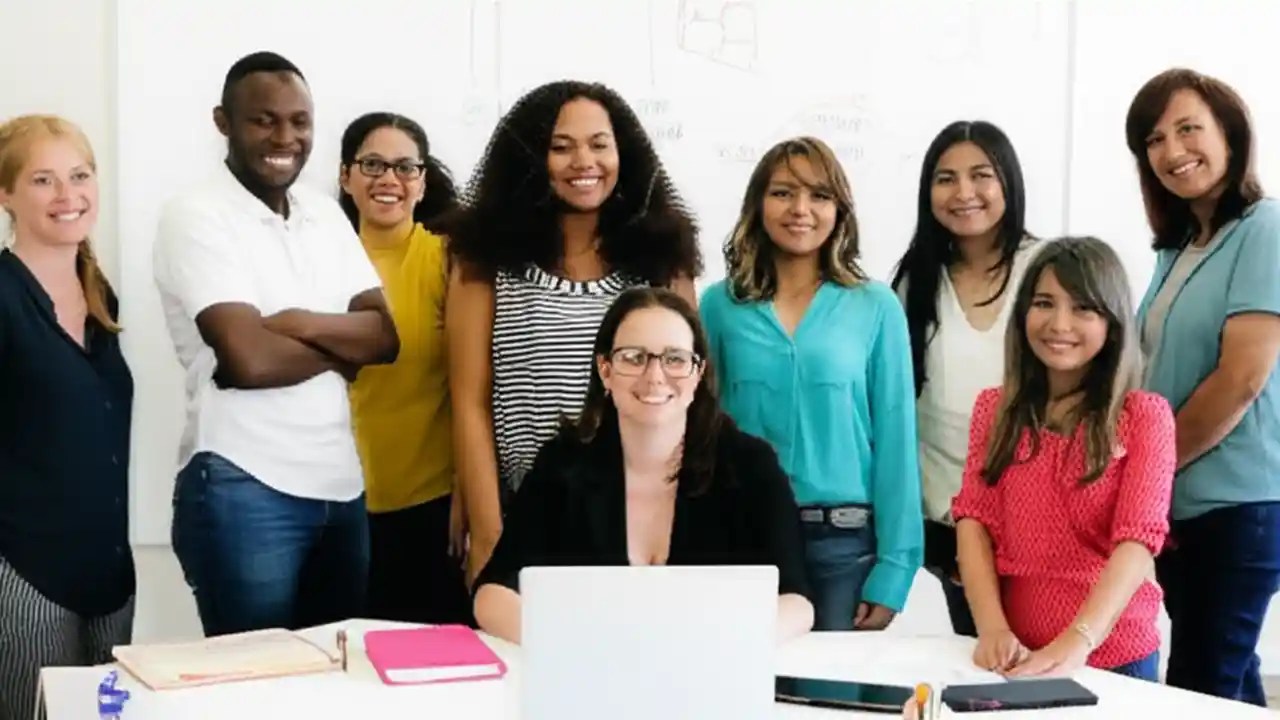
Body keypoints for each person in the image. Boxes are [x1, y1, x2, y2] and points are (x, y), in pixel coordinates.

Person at [152, 51, 400, 637]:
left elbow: (385, 338)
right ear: (224, 122)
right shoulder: (196, 214)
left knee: (331, 679)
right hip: (242, 485)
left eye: (300, 121)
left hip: (340, 486)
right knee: (254, 683)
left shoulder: (322, 212)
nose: (285, 136)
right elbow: (249, 360)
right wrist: (340, 349)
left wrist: (292, 321)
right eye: (264, 120)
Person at [444, 80, 702, 586]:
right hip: (526, 517)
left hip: (641, 522)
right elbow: (470, 402)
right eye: (560, 147)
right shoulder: (484, 259)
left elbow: (687, 395)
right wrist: (491, 538)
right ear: (530, 158)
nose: (584, 161)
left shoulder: (661, 256)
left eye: (599, 144)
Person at [473, 287, 814, 644]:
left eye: (675, 359)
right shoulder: (562, 465)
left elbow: (796, 600)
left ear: (698, 373)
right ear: (605, 370)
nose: (654, 377)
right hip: (590, 678)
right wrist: (569, 645)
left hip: (711, 676)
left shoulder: (749, 465)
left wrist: (726, 644)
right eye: (634, 357)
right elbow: (493, 593)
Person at [700, 137, 922, 631]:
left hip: (842, 547)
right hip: (745, 537)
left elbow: (896, 440)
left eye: (819, 195)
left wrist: (895, 570)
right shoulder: (718, 306)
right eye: (783, 193)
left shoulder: (876, 307)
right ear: (757, 205)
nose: (801, 209)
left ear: (839, 211)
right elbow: (698, 432)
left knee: (834, 697)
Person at [953, 237, 1175, 682]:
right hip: (1016, 653)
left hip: (1115, 657)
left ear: (1112, 323)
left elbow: (1136, 541)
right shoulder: (994, 411)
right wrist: (991, 627)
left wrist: (1077, 641)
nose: (1059, 323)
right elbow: (973, 520)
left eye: (1083, 308)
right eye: (1043, 302)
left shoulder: (1145, 417)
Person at [1127, 67, 1280, 705]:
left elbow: (1242, 378)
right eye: (1154, 140)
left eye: (1189, 129)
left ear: (1231, 134)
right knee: (1226, 687)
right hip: (1182, 510)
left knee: (1195, 691)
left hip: (1238, 509)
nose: (1172, 151)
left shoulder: (1265, 228)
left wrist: (1149, 473)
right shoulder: (1178, 246)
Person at [0, 115, 134, 720]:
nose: (68, 196)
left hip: (109, 579)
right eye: (43, 180)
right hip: (26, 577)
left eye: (79, 176)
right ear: (5, 195)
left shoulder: (100, 292)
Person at [889, 120, 1039, 637]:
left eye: (981, 176)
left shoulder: (1044, 268)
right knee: (983, 662)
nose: (964, 193)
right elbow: (903, 399)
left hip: (1037, 517)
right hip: (950, 515)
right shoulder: (916, 280)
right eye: (945, 178)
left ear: (1008, 184)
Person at [337, 110, 471, 625]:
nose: (388, 179)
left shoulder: (449, 259)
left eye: (404, 167)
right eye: (372, 164)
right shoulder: (316, 255)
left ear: (423, 181)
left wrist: (467, 493)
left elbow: (473, 387)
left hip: (432, 506)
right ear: (346, 176)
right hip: (336, 504)